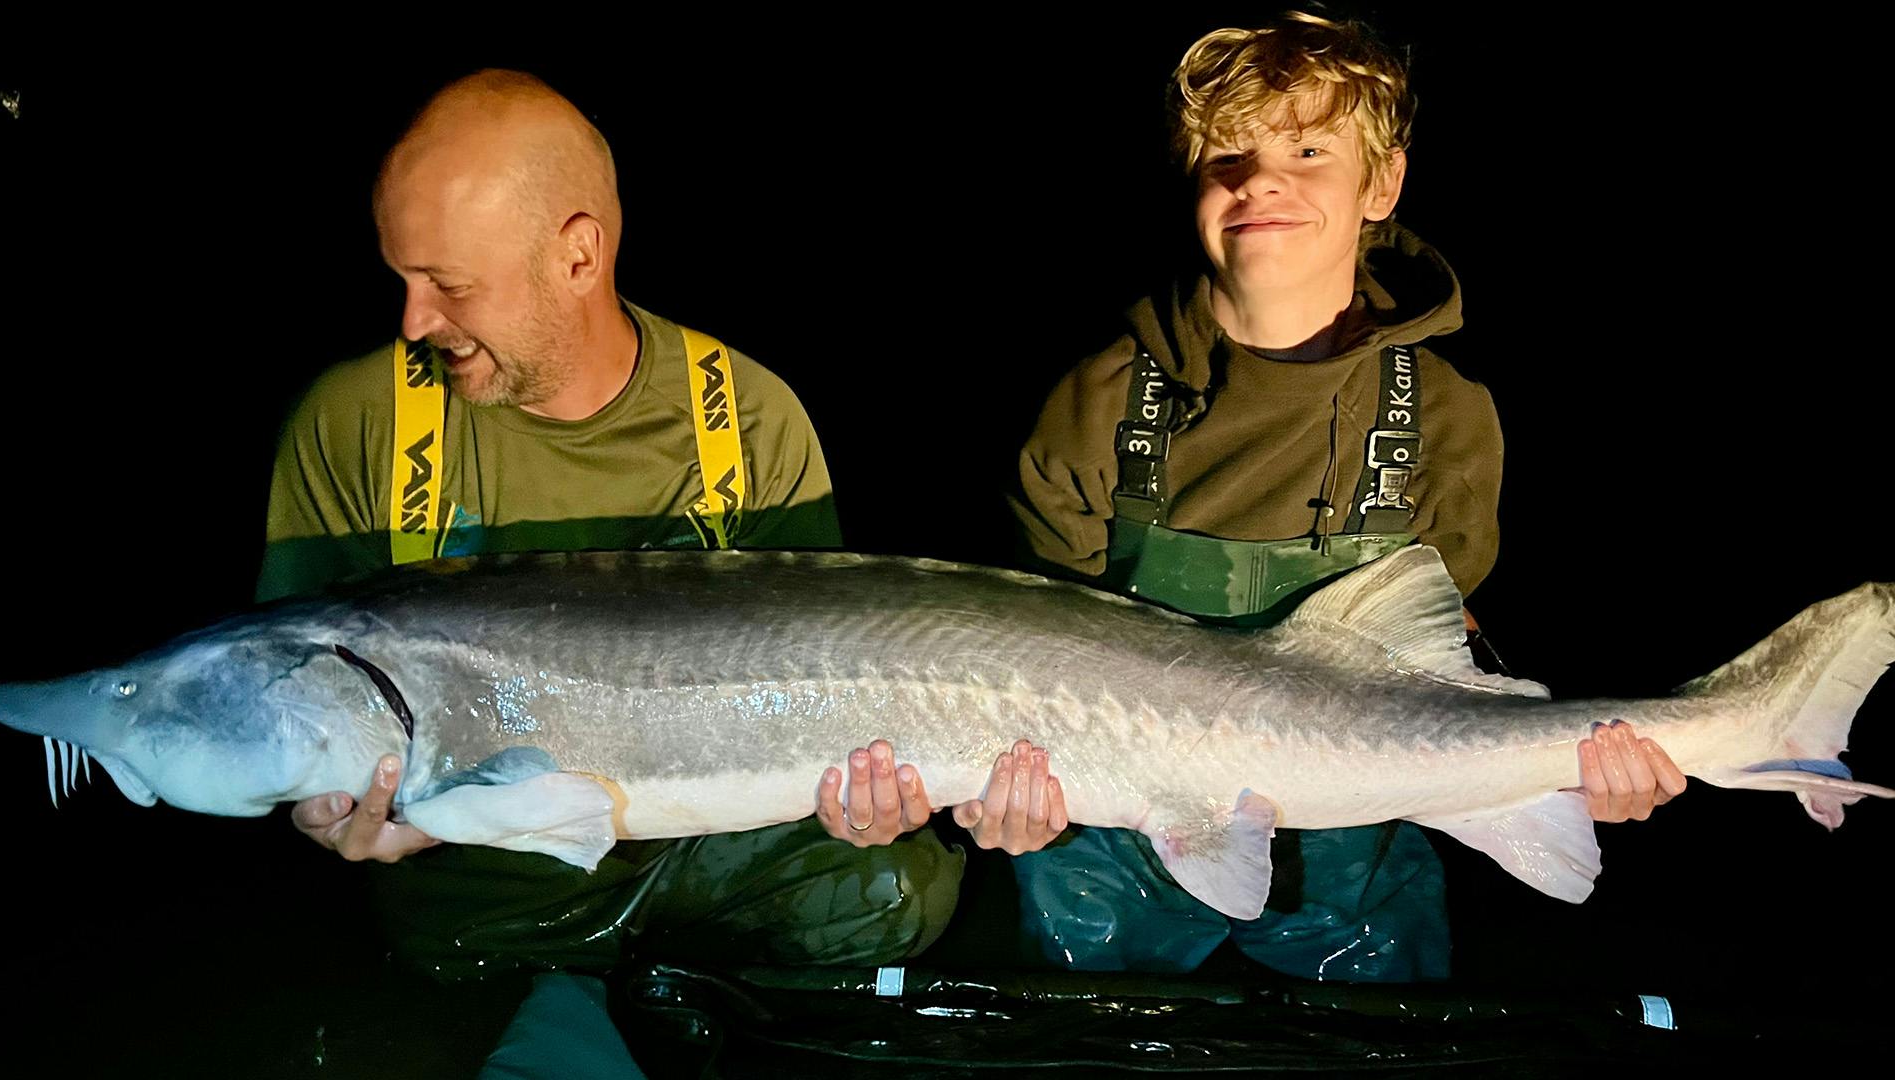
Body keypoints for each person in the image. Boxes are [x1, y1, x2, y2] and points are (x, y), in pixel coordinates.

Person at [260, 69, 1060, 981]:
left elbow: (844, 685)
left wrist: (869, 797)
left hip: (722, 840)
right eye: (400, 276)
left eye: (449, 284)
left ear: (578, 256)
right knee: (436, 961)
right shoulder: (354, 422)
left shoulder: (747, 416)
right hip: (488, 861)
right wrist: (327, 809)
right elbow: (290, 687)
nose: (413, 320)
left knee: (897, 886)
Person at [1008, 11, 1684, 980]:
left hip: (1350, 845)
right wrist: (1014, 793)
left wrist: (1564, 766)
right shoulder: (1101, 400)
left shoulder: (1444, 415)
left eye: (1312, 148)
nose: (1260, 180)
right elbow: (1027, 654)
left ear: (1384, 184)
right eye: (1227, 152)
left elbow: (1437, 654)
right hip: (1124, 834)